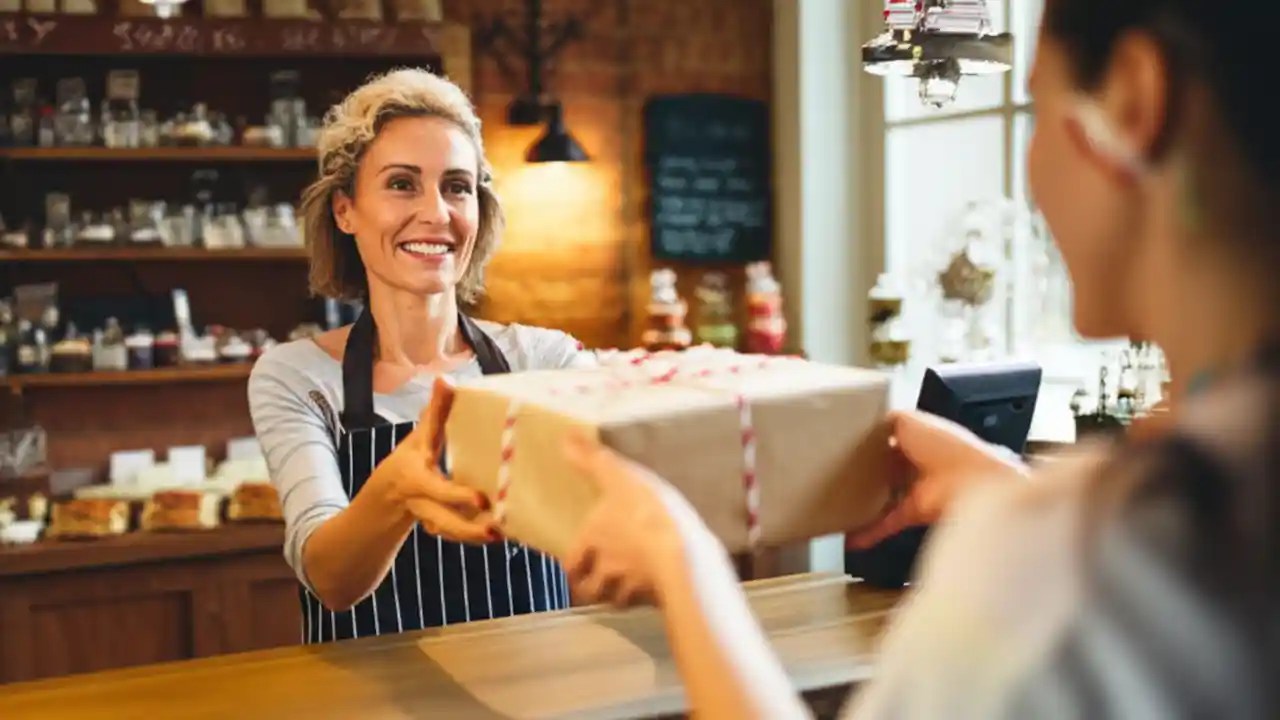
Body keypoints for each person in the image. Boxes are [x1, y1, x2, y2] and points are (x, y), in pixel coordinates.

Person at [536, 1, 1278, 717]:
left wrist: (682, 562)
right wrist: (1006, 489)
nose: (1031, 167)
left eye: (1038, 104)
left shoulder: (1083, 552)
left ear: (1131, 100)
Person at [248, 68, 592, 645]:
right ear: (345, 211)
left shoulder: (544, 361)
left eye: (457, 186)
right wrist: (397, 489)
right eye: (403, 184)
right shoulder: (298, 377)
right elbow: (329, 578)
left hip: (538, 698)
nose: (436, 213)